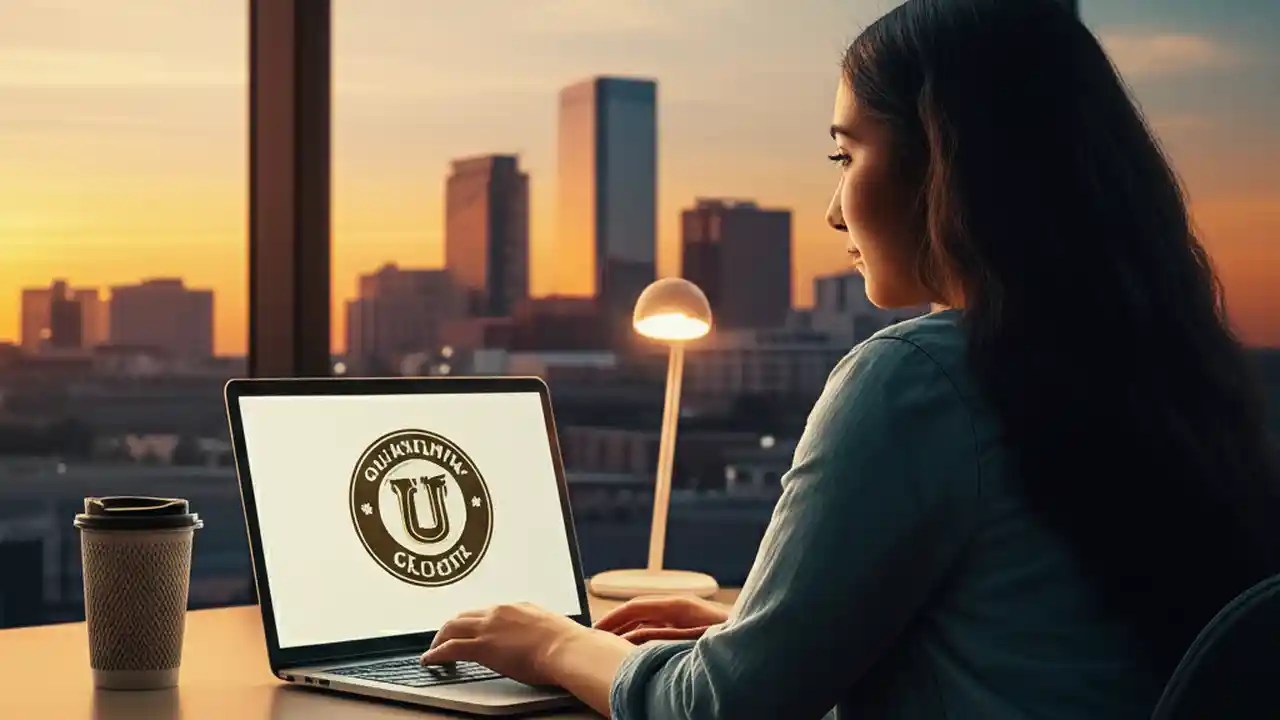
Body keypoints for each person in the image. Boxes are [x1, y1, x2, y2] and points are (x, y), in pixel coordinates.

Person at [419, 0, 1280, 716]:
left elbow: (720, 711)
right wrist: (761, 635)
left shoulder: (919, 376)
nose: (833, 210)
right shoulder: (1173, 371)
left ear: (943, 162)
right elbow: (1022, 655)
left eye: (845, 154)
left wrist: (554, 642)